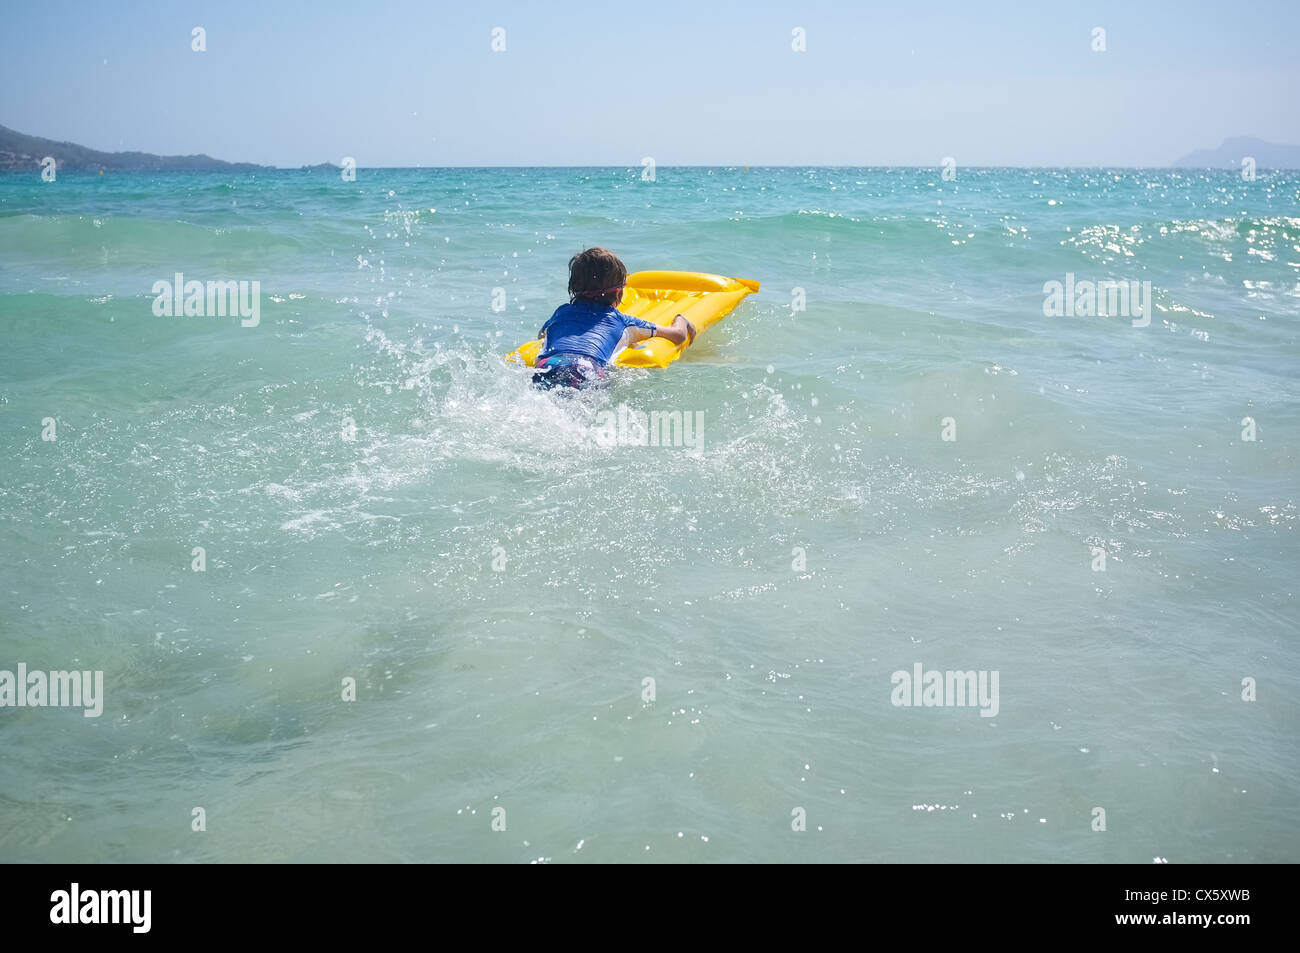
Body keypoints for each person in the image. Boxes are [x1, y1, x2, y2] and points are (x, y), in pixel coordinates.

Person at [532, 247, 696, 390]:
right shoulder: (623, 322)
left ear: (573, 287)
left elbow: (542, 335)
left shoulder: (561, 312)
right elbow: (678, 336)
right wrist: (681, 319)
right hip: (587, 368)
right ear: (618, 292)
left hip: (548, 364)